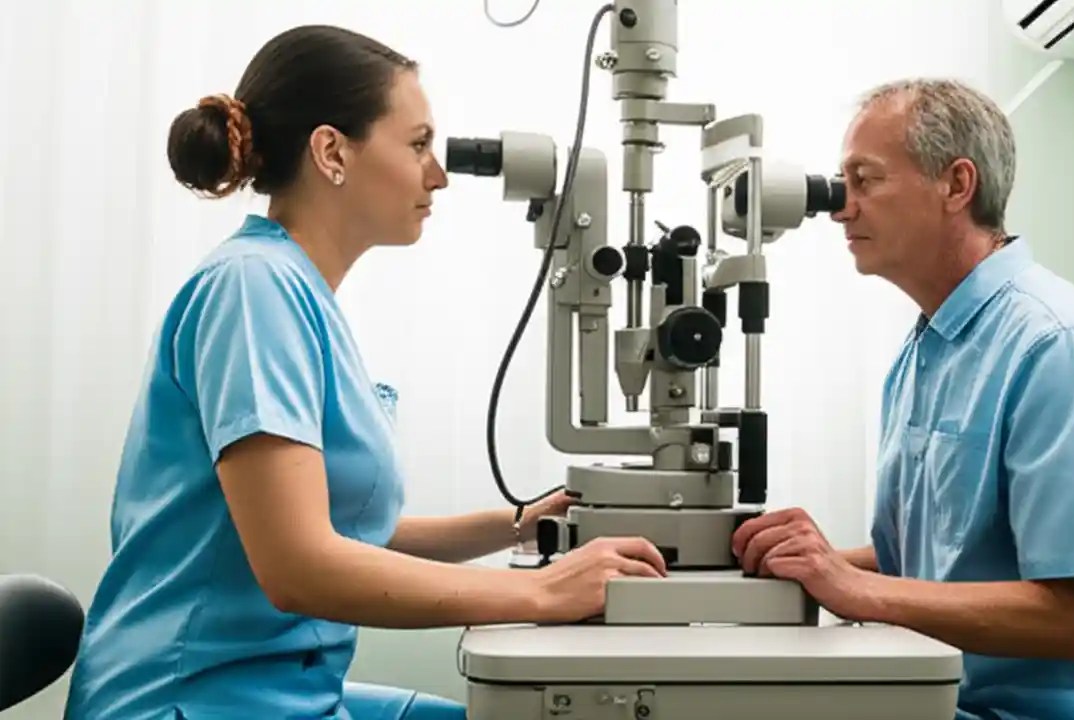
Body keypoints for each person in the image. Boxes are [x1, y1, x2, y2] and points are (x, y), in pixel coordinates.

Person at [63, 25, 667, 720]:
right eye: (417, 145)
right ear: (331, 152)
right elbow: (301, 565)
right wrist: (543, 593)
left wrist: (523, 524)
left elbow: (343, 525)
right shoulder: (253, 290)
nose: (436, 173)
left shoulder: (294, 291)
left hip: (272, 690)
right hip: (188, 700)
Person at [732, 78, 1074, 719]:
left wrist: (854, 587)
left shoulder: (1057, 347)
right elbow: (949, 553)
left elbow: (1071, 618)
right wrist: (806, 561)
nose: (840, 207)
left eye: (865, 179)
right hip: (947, 693)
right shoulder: (928, 346)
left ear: (956, 185)